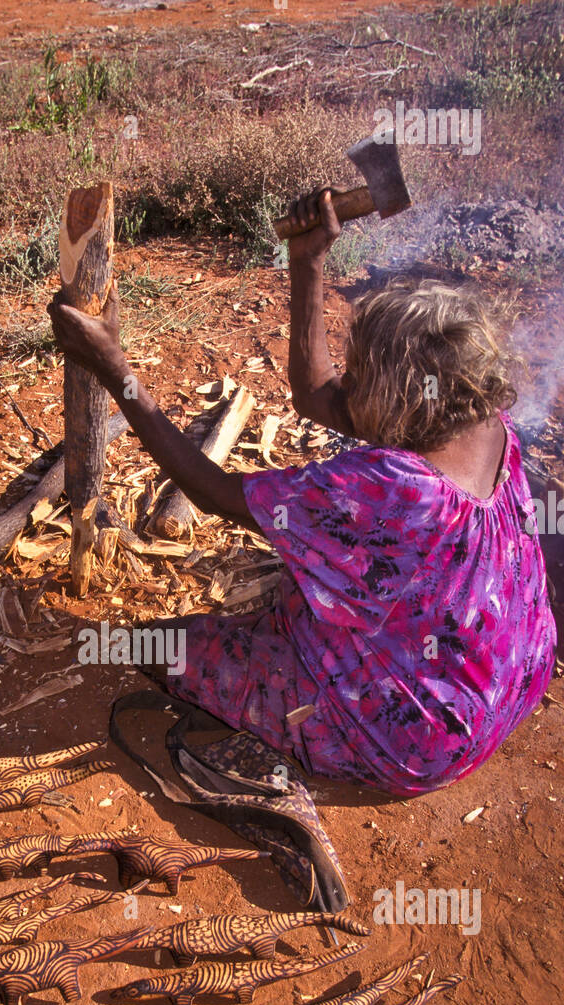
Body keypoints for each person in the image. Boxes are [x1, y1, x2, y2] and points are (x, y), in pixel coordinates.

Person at [48, 189, 556, 796]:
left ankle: (282, 773)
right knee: (301, 603)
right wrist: (307, 260)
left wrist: (115, 371)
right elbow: (317, 395)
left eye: (363, 372)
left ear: (401, 392)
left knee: (161, 645)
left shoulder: (391, 489)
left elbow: (210, 491)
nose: (350, 382)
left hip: (412, 740)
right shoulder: (481, 425)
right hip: (500, 688)